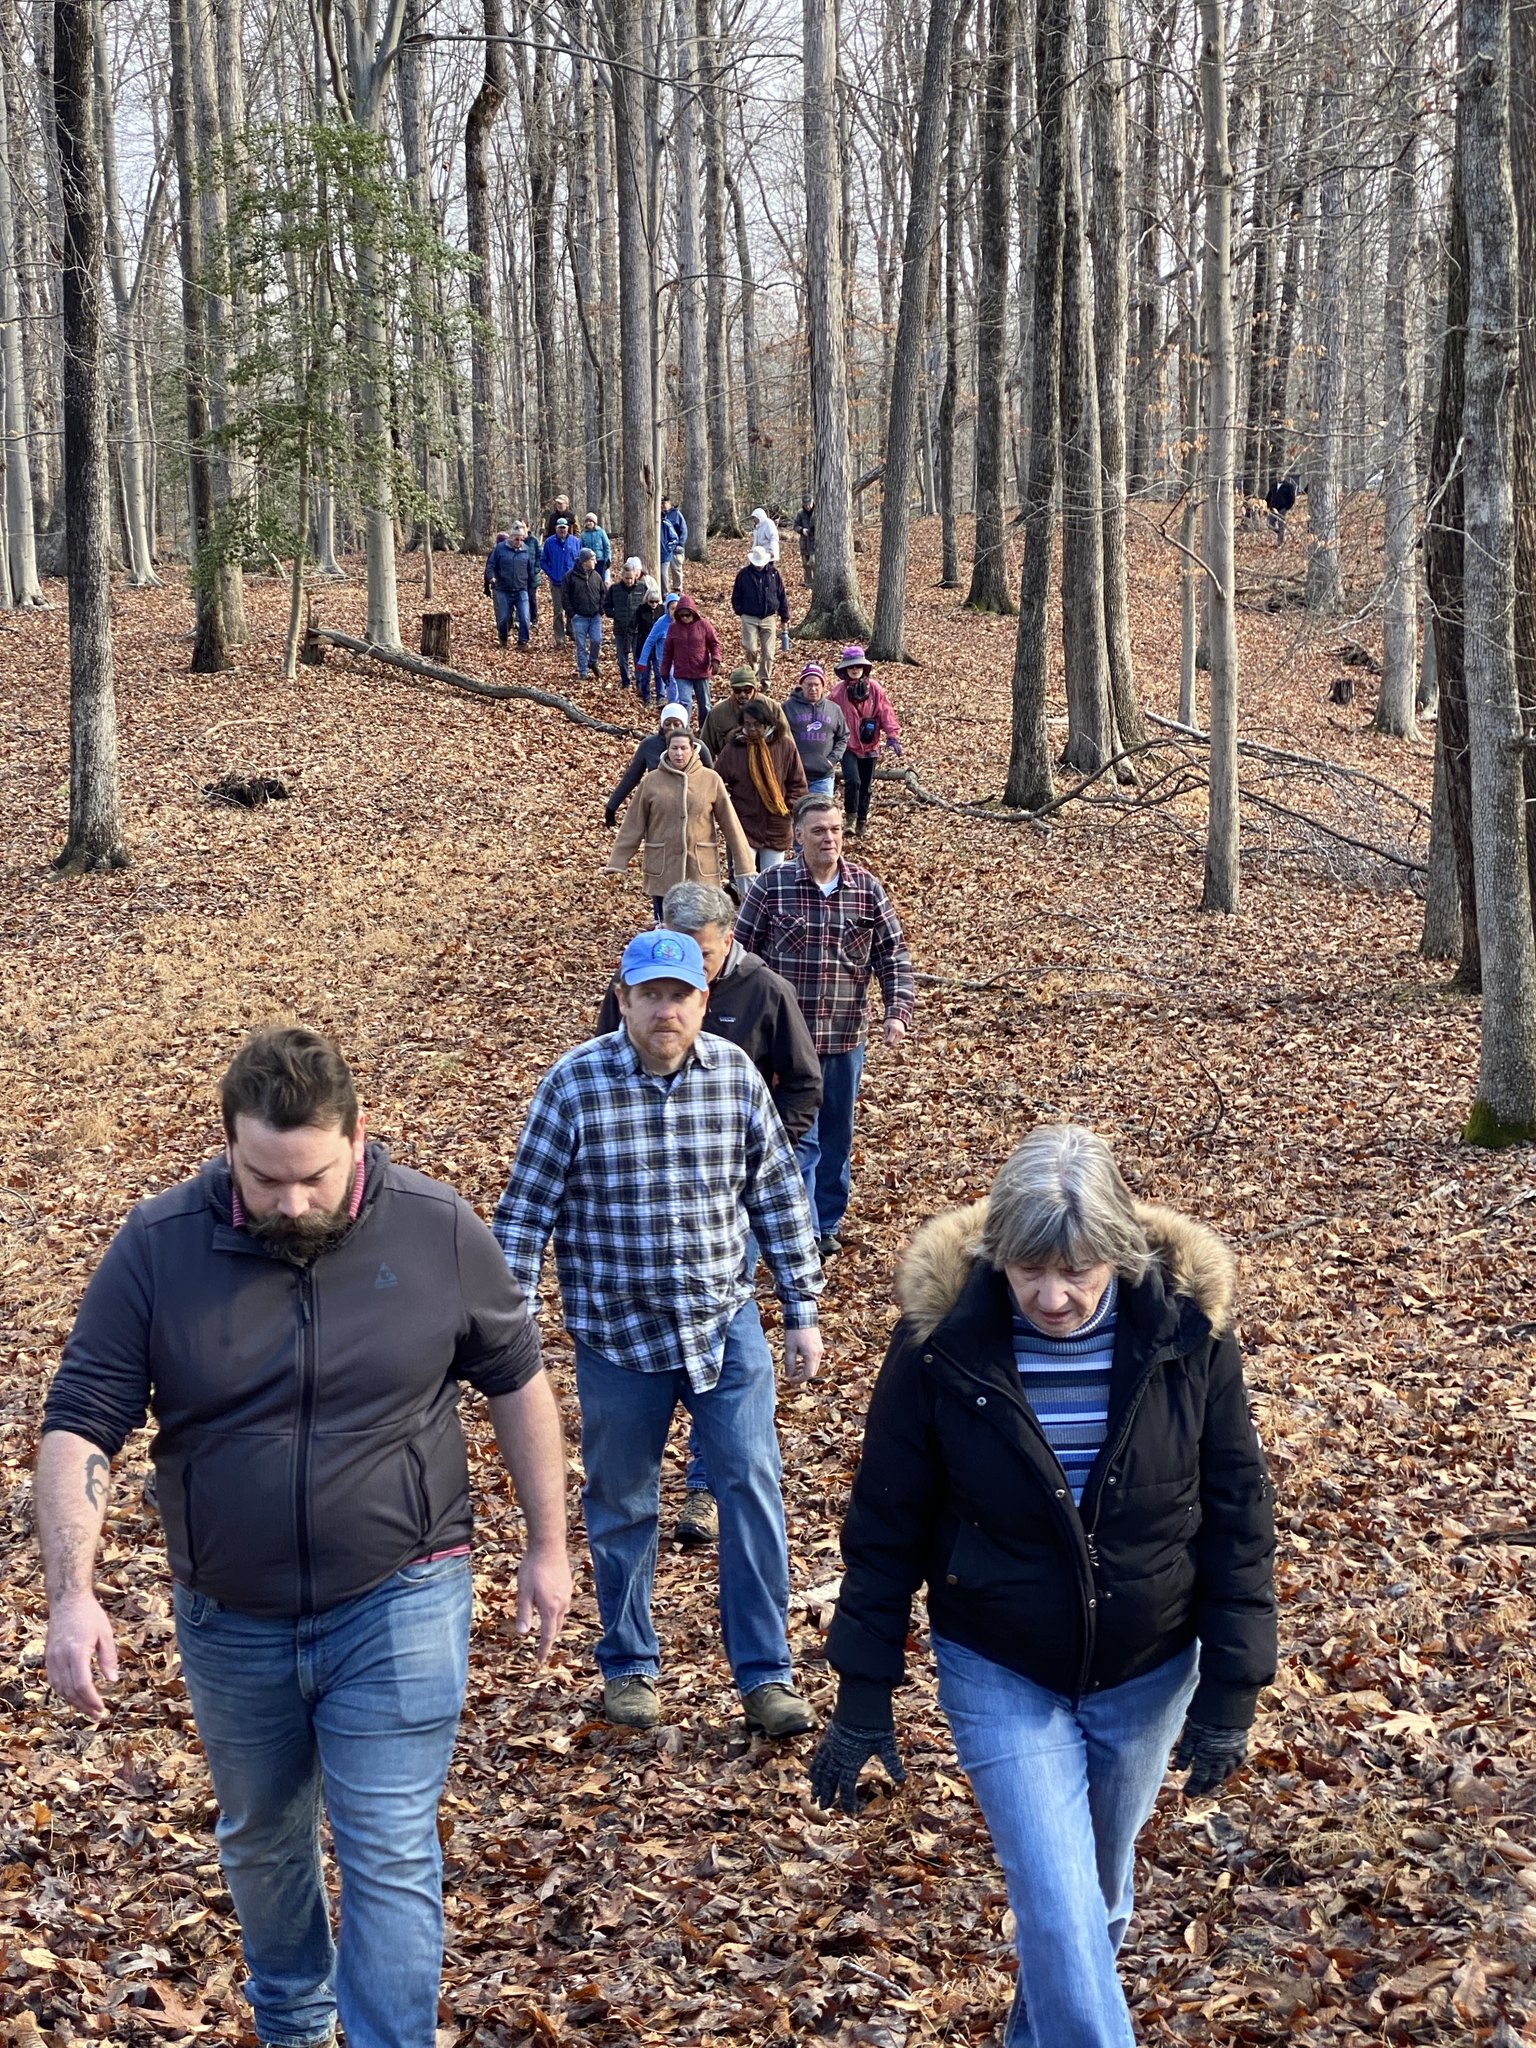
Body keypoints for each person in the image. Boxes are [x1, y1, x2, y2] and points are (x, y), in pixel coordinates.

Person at [36, 1027, 572, 2048]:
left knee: (388, 1847)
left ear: (359, 1137)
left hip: (402, 1588)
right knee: (265, 1840)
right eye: (264, 1176)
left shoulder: (434, 1225)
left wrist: (549, 1543)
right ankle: (292, 2018)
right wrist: (73, 1591)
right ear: (227, 1145)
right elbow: (82, 1419)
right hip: (231, 1614)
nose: (290, 1203)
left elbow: (516, 1379)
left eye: (314, 1176)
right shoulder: (158, 1246)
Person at [809, 1124, 1277, 2048]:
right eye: (1029, 1272)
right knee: (1063, 1915)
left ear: (1119, 1251)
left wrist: (1232, 1684)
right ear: (996, 1258)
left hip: (1148, 1667)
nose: (1053, 1297)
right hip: (1000, 1664)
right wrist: (862, 1690)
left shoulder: (1186, 1333)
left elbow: (1234, 1505)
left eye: (1078, 1272)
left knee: (1095, 1907)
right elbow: (887, 1516)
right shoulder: (944, 1342)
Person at [492, 928, 825, 1738]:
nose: (665, 1010)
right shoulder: (574, 1086)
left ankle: (765, 1674)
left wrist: (802, 1307)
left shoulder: (736, 1077)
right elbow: (522, 1217)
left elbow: (778, 1195)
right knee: (621, 1500)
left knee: (751, 1489)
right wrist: (510, 1331)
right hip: (617, 1336)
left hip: (724, 1325)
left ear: (703, 1001)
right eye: (650, 995)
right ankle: (630, 1664)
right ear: (625, 998)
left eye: (680, 995)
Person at [593, 882, 824, 1549]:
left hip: (732, 1199)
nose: (673, 995)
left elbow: (804, 1081)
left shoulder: (766, 992)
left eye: (699, 956)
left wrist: (771, 1146)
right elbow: (603, 1061)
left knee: (720, 1327)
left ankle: (703, 1482)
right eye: (659, 983)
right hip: (642, 1218)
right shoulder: (633, 994)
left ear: (728, 941)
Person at [736, 794, 913, 1258]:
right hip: (784, 1043)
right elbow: (738, 957)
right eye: (818, 831)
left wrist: (897, 1012)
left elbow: (892, 955)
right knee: (799, 1138)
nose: (829, 838)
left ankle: (827, 1219)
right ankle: (803, 1230)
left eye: (835, 829)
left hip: (844, 1037)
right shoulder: (771, 887)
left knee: (836, 1134)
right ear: (797, 836)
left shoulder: (866, 888)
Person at [606, 723, 753, 920]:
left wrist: (744, 865)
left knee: (699, 925)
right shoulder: (652, 781)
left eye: (684, 748)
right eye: (674, 748)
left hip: (700, 867)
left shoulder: (711, 779)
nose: (679, 753)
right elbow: (633, 824)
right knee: (667, 926)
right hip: (663, 867)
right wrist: (618, 861)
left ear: (693, 749)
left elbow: (731, 824)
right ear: (667, 749)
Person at [716, 694, 807, 874]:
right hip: (744, 823)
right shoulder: (733, 749)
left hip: (776, 823)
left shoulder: (785, 746)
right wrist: (730, 808)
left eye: (756, 724)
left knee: (772, 878)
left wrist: (789, 809)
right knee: (744, 874)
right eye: (747, 724)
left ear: (767, 724)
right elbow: (717, 783)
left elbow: (798, 783)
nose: (751, 729)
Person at [830, 644, 902, 840]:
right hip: (847, 745)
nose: (855, 669)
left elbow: (885, 711)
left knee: (865, 786)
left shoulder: (875, 689)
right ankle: (850, 819)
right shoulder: (837, 693)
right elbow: (828, 717)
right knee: (852, 781)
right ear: (845, 669)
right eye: (851, 666)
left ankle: (862, 821)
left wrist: (892, 735)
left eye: (858, 666)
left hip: (870, 745)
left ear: (864, 668)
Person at [604, 703, 715, 828]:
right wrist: (612, 806)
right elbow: (632, 777)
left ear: (684, 725)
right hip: (659, 809)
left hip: (690, 810)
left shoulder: (698, 747)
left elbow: (712, 781)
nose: (672, 728)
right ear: (661, 724)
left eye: (676, 724)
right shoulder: (649, 745)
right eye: (667, 724)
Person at [781, 662, 848, 798]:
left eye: (817, 685)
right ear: (802, 685)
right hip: (794, 776)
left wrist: (832, 760)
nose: (813, 689)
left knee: (821, 816)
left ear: (823, 685)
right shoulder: (787, 708)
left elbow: (843, 737)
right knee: (796, 816)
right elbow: (778, 737)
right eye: (808, 684)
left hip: (823, 777)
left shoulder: (834, 709)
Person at [731, 545, 791, 687]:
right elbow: (736, 596)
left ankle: (765, 680)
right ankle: (753, 669)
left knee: (769, 653)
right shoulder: (743, 575)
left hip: (769, 617)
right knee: (750, 648)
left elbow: (781, 596)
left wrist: (784, 617)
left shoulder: (774, 574)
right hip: (749, 617)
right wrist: (740, 611)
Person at [659, 592, 723, 720]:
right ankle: (684, 731)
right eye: (681, 615)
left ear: (693, 613)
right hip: (682, 672)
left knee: (704, 704)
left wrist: (715, 660)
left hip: (701, 670)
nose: (684, 618)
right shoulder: (673, 628)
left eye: (687, 615)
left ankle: (704, 730)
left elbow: (714, 643)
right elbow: (667, 652)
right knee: (685, 703)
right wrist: (664, 670)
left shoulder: (704, 625)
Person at [604, 557, 653, 694]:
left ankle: (639, 682)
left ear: (635, 575)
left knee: (638, 657)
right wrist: (615, 615)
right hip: (620, 629)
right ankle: (625, 681)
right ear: (622, 576)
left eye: (631, 578)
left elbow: (648, 605)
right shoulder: (614, 589)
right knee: (622, 657)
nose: (629, 581)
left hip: (637, 629)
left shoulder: (642, 587)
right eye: (626, 578)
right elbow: (606, 606)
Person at [563, 546, 607, 680]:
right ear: (584, 561)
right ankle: (582, 672)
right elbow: (565, 597)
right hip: (579, 617)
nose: (595, 562)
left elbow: (603, 593)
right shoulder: (570, 577)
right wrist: (572, 613)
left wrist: (601, 609)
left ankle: (592, 661)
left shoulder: (596, 576)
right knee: (581, 645)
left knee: (596, 641)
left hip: (594, 616)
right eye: (592, 559)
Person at [701, 664, 760, 759]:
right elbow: (705, 748)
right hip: (729, 766)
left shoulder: (771, 708)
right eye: (737, 690)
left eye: (747, 690)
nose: (742, 694)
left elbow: (785, 745)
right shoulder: (717, 713)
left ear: (755, 688)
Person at [636, 591, 681, 709]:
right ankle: (672, 705)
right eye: (672, 609)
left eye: (677, 608)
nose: (674, 612)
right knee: (671, 680)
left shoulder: (683, 621)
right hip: (664, 659)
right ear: (667, 609)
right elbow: (649, 641)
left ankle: (676, 703)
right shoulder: (661, 623)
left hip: (679, 658)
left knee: (678, 680)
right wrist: (642, 661)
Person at [540, 518, 581, 648]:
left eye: (564, 527)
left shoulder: (575, 542)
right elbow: (543, 561)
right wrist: (551, 573)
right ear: (556, 528)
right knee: (558, 611)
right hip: (557, 582)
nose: (562, 530)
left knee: (573, 608)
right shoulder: (549, 542)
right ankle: (559, 638)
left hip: (573, 583)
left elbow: (580, 560)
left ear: (568, 528)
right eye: (560, 528)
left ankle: (571, 630)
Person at [660, 496, 688, 592]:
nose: (662, 505)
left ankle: (677, 588)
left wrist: (679, 544)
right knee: (663, 571)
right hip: (664, 548)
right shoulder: (659, 515)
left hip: (676, 547)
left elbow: (683, 530)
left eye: (664, 503)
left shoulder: (676, 514)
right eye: (661, 503)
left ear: (669, 503)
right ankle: (665, 589)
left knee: (676, 568)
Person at [1266, 474, 1299, 545]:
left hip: (1282, 509)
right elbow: (1269, 496)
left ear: (1284, 476)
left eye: (1281, 475)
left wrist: (1287, 507)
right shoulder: (1273, 485)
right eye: (1278, 475)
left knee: (1281, 525)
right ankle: (1278, 531)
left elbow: (1292, 499)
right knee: (1269, 523)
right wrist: (1266, 505)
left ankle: (1280, 543)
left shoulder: (1289, 486)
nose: (1280, 477)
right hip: (1273, 508)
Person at [582, 511, 613, 579]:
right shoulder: (583, 534)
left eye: (590, 521)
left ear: (594, 522)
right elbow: (582, 548)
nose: (588, 523)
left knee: (600, 578)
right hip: (589, 561)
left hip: (600, 560)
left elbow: (607, 546)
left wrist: (608, 559)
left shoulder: (601, 532)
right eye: (587, 521)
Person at [793, 495, 815, 586]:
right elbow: (795, 526)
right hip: (804, 542)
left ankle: (817, 582)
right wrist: (802, 530)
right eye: (806, 505)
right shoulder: (800, 513)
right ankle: (808, 583)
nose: (808, 506)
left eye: (809, 504)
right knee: (805, 564)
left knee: (814, 562)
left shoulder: (818, 511)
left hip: (815, 542)